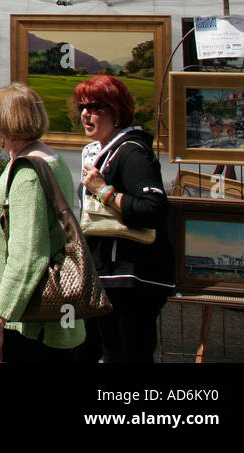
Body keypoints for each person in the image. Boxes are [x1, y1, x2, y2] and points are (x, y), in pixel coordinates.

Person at [0, 82, 86, 363]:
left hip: (26, 323)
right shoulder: (43, 158)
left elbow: (27, 256)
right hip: (27, 317)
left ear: (4, 123)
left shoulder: (28, 174)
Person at [75, 74, 173, 363]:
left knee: (127, 356)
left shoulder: (132, 153)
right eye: (82, 106)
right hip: (109, 278)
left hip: (131, 282)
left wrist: (104, 191)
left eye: (96, 107)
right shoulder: (103, 152)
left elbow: (153, 208)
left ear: (117, 112)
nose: (86, 114)